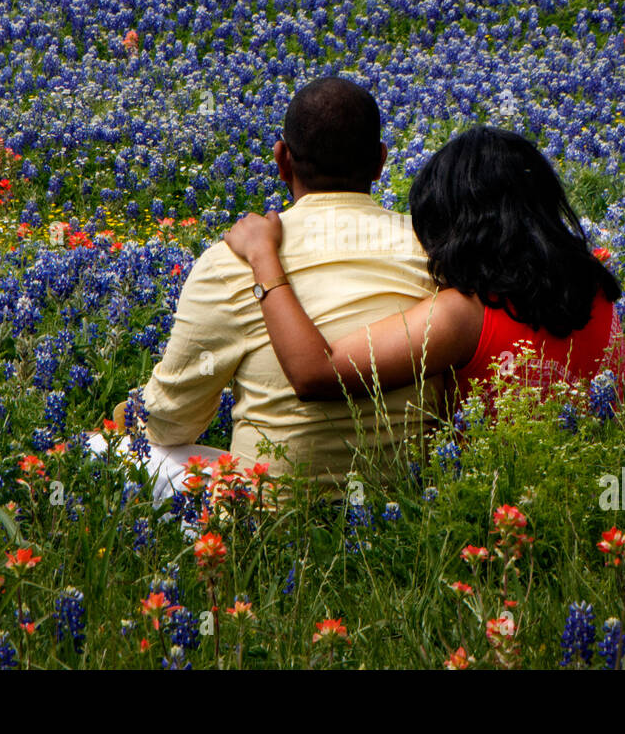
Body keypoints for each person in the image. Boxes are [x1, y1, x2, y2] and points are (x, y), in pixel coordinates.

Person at [90, 77, 445, 503]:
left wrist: (122, 419)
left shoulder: (232, 260)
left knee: (99, 452)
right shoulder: (434, 252)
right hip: (406, 504)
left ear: (282, 160)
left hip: (262, 513)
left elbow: (168, 422)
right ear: (380, 162)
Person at [222, 125, 625, 419]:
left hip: (497, 520)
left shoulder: (463, 315)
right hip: (601, 503)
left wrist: (263, 255)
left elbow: (314, 375)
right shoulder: (595, 288)